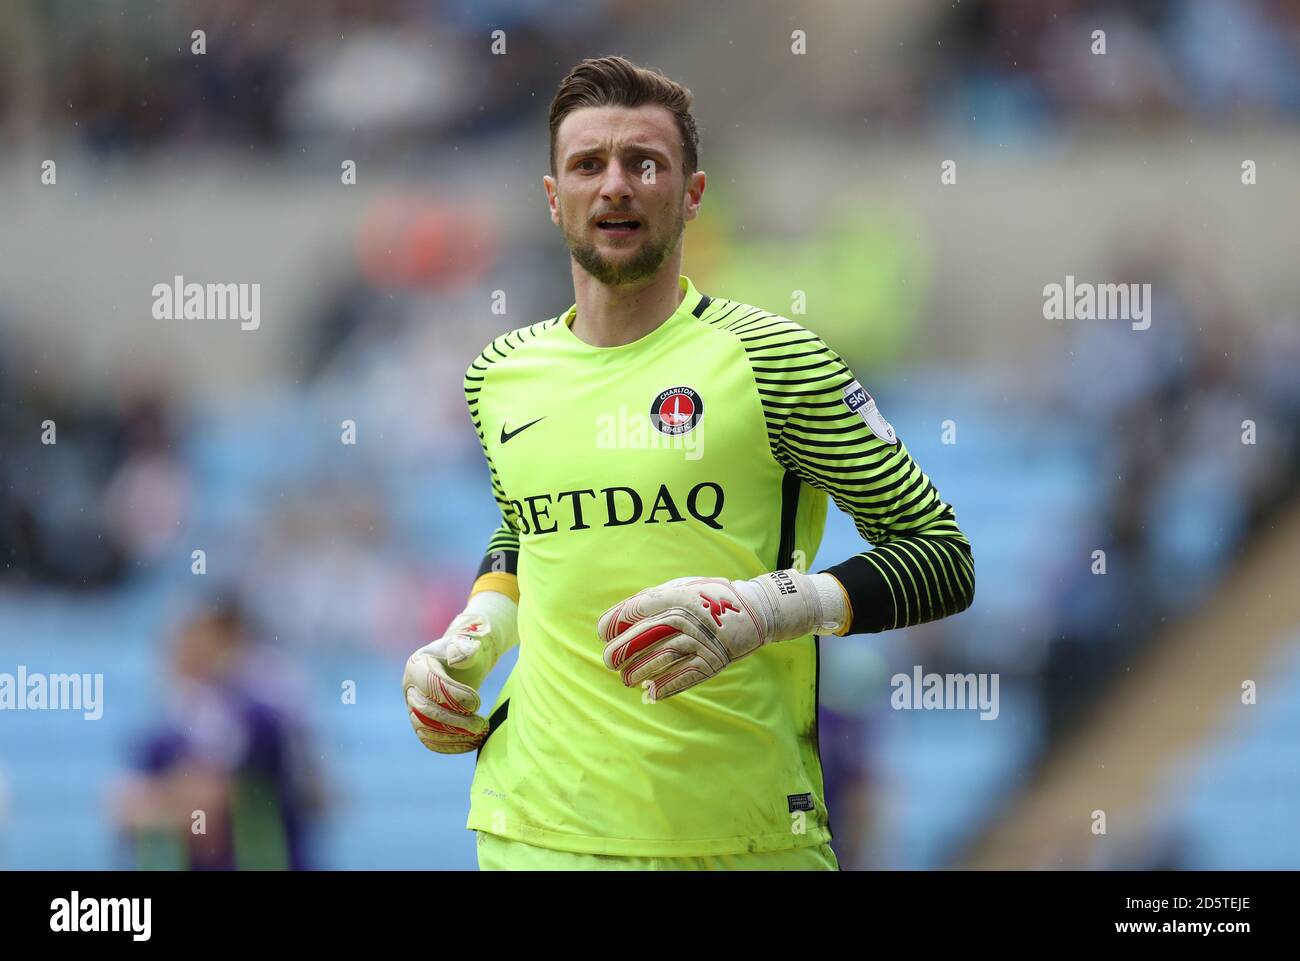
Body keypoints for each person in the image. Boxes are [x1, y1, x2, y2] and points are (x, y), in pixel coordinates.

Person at [402, 56, 975, 871]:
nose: (616, 186)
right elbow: (525, 533)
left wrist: (770, 608)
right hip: (531, 831)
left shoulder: (774, 360)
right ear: (552, 196)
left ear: (693, 194)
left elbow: (942, 557)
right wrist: (477, 631)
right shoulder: (499, 374)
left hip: (740, 838)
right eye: (588, 164)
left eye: (645, 163)